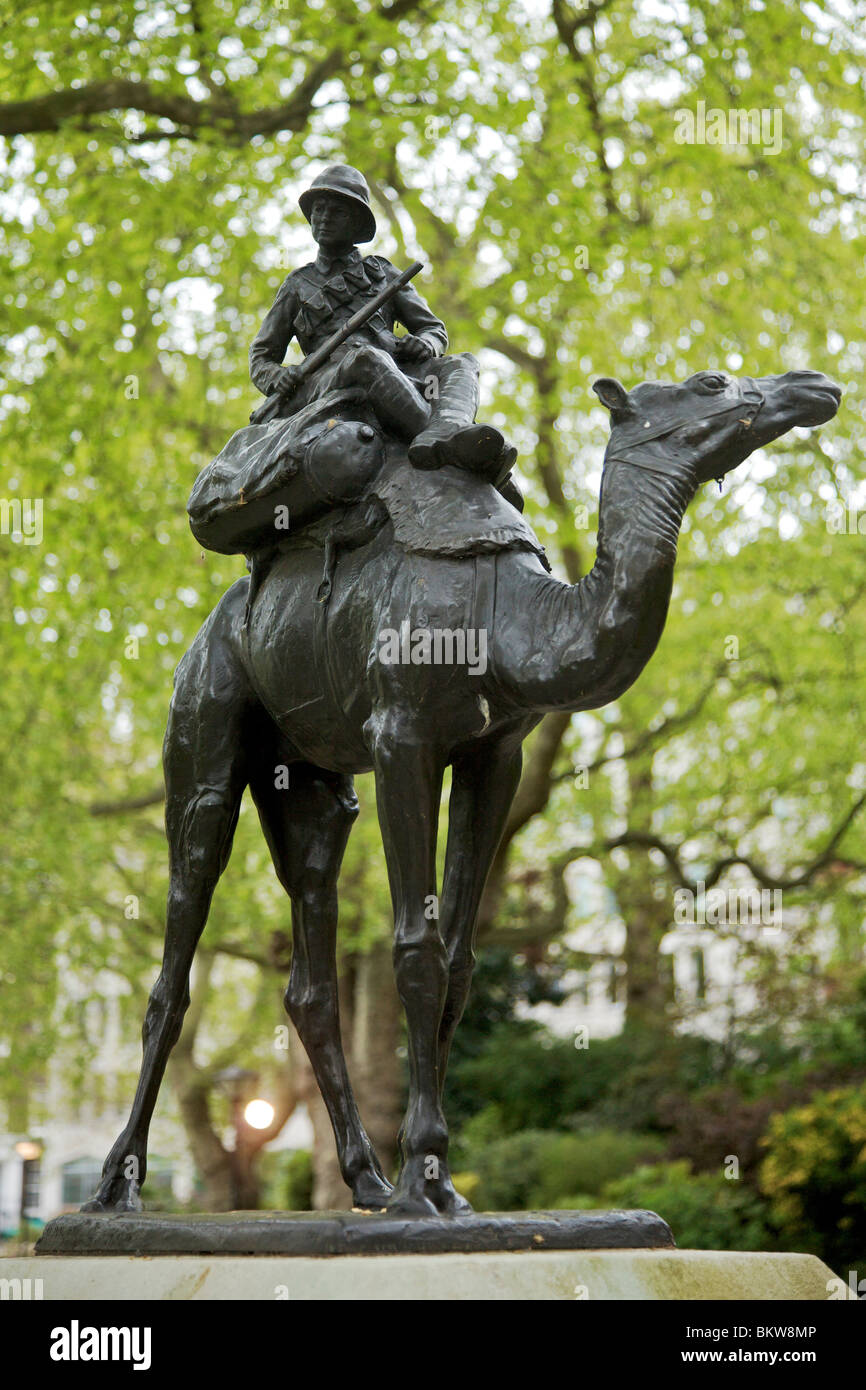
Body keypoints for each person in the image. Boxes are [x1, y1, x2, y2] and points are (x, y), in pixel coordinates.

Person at [249, 164, 522, 506]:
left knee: (462, 363)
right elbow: (261, 357)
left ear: (356, 222)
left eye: (336, 211)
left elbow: (433, 329)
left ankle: (445, 431)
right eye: (318, 210)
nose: (323, 218)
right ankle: (454, 452)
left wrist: (424, 344)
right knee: (365, 359)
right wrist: (278, 378)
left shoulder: (382, 273)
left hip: (394, 370)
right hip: (328, 379)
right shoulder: (297, 286)